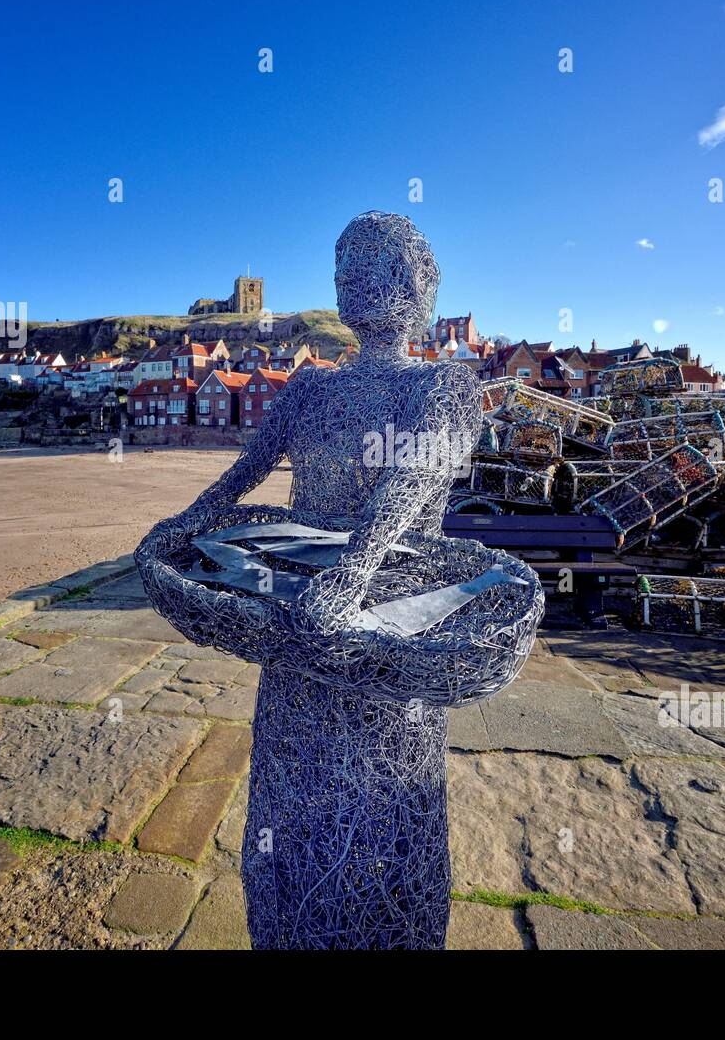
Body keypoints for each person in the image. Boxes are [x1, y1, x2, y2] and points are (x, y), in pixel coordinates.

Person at [142, 212, 487, 948]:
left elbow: (410, 480)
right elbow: (243, 475)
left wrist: (355, 571)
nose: (353, 275)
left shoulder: (448, 387)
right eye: (343, 262)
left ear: (419, 285)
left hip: (387, 639)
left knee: (385, 815)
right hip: (300, 637)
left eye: (376, 261)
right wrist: (186, 522)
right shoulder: (308, 388)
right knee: (292, 812)